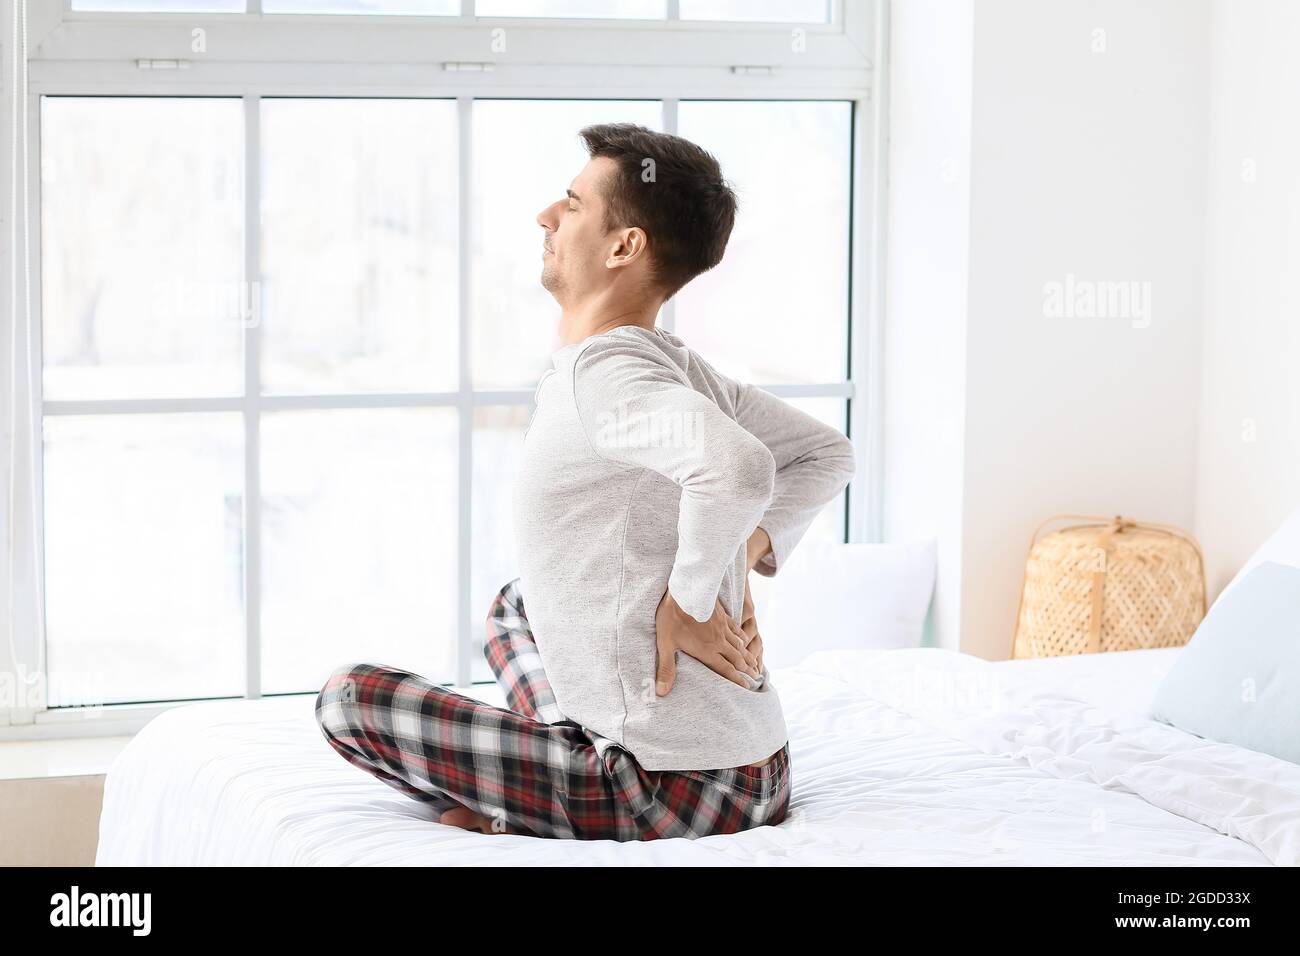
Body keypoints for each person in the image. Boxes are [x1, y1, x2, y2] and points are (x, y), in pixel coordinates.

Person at [316, 123, 855, 840]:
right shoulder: (677, 365)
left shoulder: (608, 372)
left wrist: (694, 600)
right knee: (516, 606)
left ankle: (540, 795)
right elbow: (828, 452)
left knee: (347, 699)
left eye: (571, 204)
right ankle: (538, 778)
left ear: (623, 246)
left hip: (668, 786)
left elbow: (741, 467)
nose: (546, 216)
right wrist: (742, 549)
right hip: (761, 773)